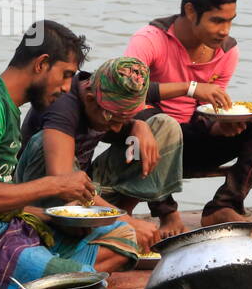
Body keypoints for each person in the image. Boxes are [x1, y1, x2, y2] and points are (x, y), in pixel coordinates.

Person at [0, 21, 140, 289]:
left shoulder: (7, 108)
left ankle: (30, 279)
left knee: (123, 237)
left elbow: (0, 197)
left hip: (5, 226)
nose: (66, 88)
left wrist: (50, 217)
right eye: (65, 75)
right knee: (83, 286)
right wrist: (55, 183)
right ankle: (25, 279)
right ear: (41, 64)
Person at [126, 0, 252, 227]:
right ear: (191, 11)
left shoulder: (227, 50)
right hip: (149, 144)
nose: (225, 30)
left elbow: (203, 111)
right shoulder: (149, 40)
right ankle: (167, 213)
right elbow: (126, 94)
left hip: (194, 140)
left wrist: (220, 126)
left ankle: (225, 203)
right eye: (217, 21)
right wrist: (191, 87)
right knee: (155, 122)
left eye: (230, 21)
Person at [17, 56, 185, 250]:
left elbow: (139, 105)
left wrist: (137, 125)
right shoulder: (62, 102)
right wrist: (127, 223)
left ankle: (119, 216)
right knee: (41, 143)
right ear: (90, 99)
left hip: (87, 189)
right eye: (113, 120)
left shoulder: (105, 98)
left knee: (164, 126)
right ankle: (111, 224)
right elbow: (63, 181)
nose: (116, 129)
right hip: (47, 194)